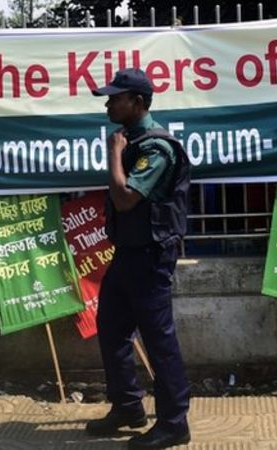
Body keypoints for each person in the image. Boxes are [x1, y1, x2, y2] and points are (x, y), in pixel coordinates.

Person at [86, 68, 192, 449]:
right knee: (111, 328)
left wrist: (113, 154)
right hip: (128, 254)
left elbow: (125, 198)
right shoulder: (131, 140)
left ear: (138, 103)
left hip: (151, 258)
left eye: (116, 97)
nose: (108, 102)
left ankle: (174, 422)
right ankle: (128, 407)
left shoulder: (156, 148)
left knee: (159, 340)